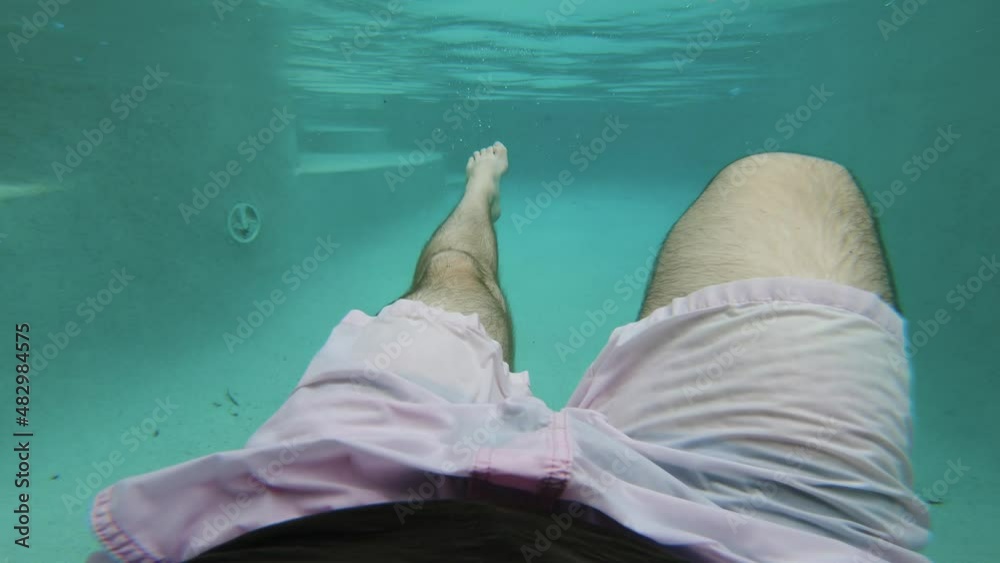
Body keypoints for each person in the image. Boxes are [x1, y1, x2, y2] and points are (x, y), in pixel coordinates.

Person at [87, 142, 930, 562]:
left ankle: (474, 199)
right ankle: (477, 202)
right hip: (761, 537)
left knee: (454, 278)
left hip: (328, 493)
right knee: (789, 182)